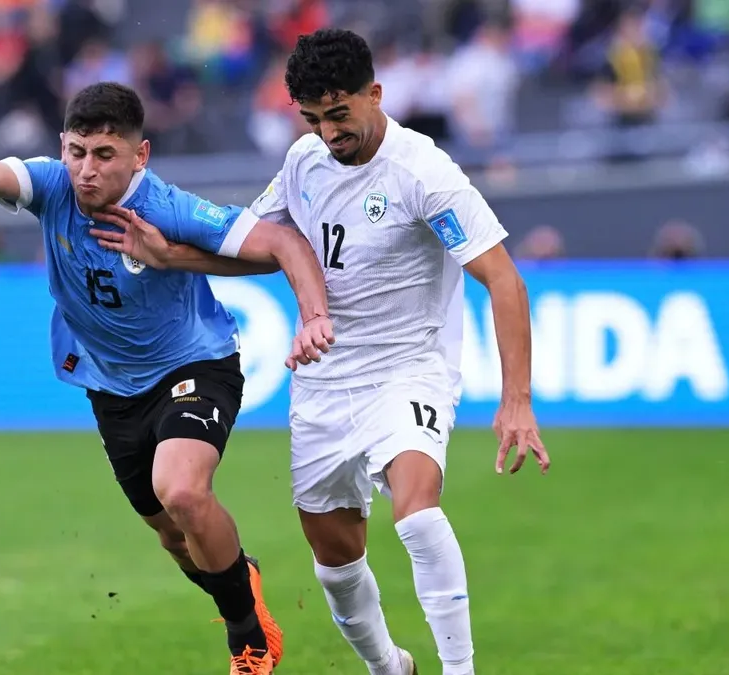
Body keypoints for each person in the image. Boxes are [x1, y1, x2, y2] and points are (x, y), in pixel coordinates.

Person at [91, 28, 550, 675]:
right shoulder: (304, 161)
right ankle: (391, 666)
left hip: (408, 367)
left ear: (375, 94)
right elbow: (257, 245)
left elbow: (503, 278)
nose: (328, 132)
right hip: (324, 380)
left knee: (417, 515)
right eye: (312, 118)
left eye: (339, 114)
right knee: (336, 564)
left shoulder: (425, 173)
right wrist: (172, 256)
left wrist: (517, 399)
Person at [0, 80, 337, 675]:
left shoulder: (167, 209)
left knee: (180, 489)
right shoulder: (50, 185)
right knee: (174, 536)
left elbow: (281, 241)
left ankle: (248, 640)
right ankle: (240, 578)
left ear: (140, 156)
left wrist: (312, 317)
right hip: (110, 385)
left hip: (194, 364)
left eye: (104, 155)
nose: (86, 170)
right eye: (77, 152)